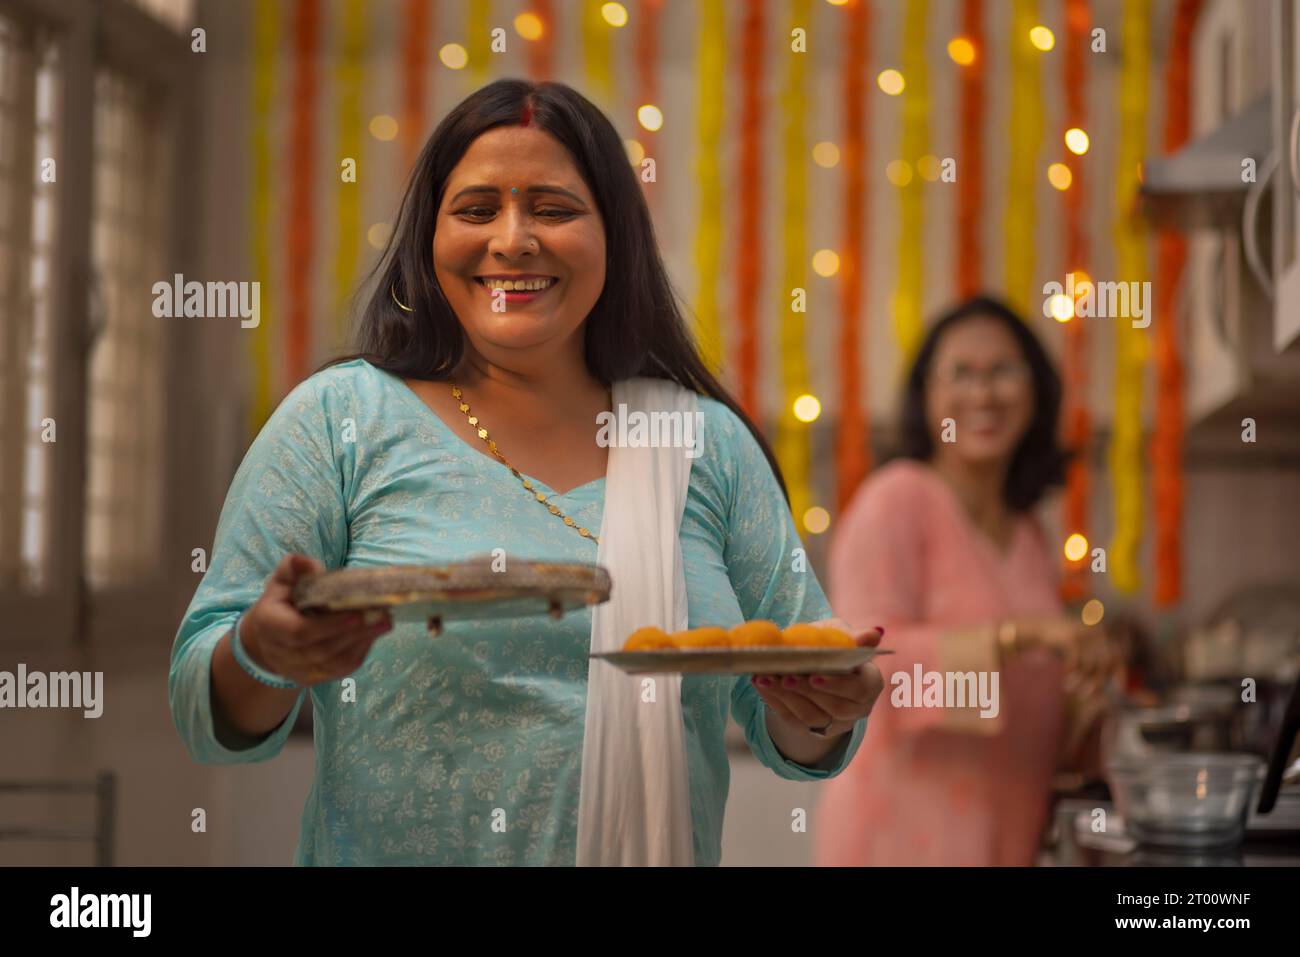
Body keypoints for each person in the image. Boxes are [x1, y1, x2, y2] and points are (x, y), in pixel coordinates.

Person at [168, 79, 883, 866]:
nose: (512, 241)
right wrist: (263, 654)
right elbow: (206, 712)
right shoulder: (339, 422)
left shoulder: (698, 442)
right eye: (476, 210)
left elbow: (796, 705)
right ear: (428, 237)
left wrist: (824, 709)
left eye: (552, 208)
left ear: (615, 235)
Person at [813, 296, 1116, 867]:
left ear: (1036, 392)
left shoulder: (1028, 533)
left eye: (1003, 371)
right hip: (900, 841)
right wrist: (1022, 635)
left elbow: (1021, 697)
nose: (983, 394)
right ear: (926, 396)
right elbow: (865, 671)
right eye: (961, 373)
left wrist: (1080, 705)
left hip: (1007, 835)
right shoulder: (895, 500)